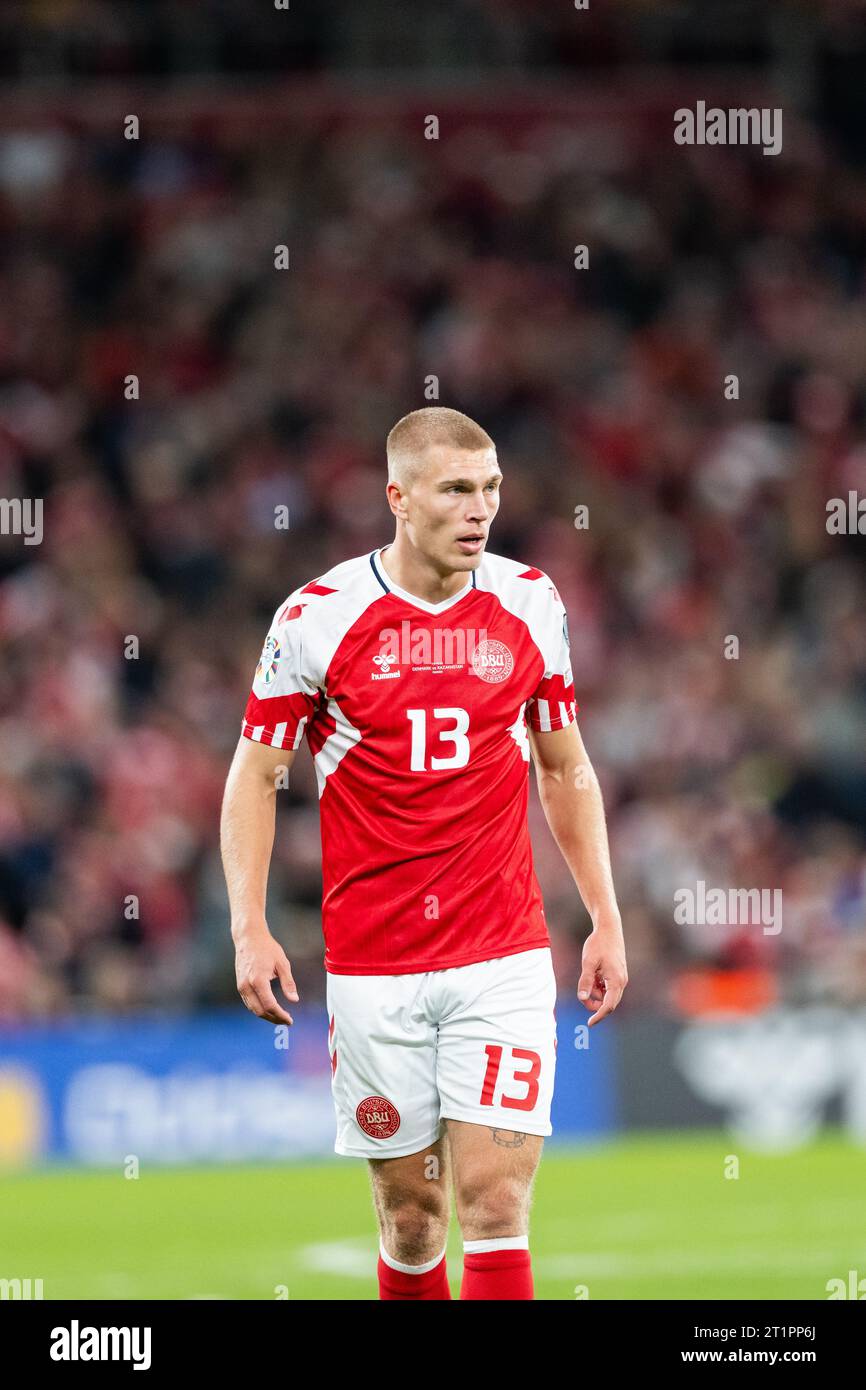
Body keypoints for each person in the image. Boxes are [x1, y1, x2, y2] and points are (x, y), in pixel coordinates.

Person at [220, 406, 627, 1300]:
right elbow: (255, 778)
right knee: (411, 1218)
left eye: (490, 490)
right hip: (376, 961)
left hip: (503, 953)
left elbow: (565, 768)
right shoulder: (318, 618)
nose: (480, 509)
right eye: (456, 491)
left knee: (493, 1203)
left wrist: (605, 916)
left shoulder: (530, 602)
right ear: (399, 498)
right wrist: (249, 928)